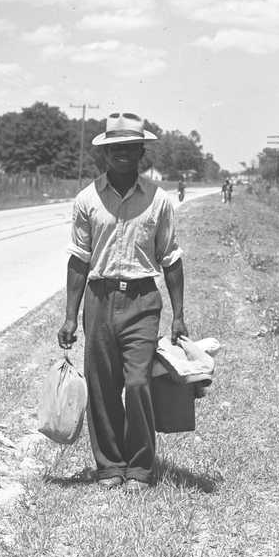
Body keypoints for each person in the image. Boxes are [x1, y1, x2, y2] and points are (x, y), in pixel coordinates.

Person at [58, 111, 188, 493]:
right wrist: (70, 316)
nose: (124, 155)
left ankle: (140, 468)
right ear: (104, 154)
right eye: (117, 149)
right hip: (99, 300)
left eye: (132, 148)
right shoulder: (87, 199)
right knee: (102, 386)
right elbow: (79, 259)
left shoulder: (159, 200)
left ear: (142, 152)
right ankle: (110, 466)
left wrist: (179, 314)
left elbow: (171, 258)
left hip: (143, 300)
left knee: (137, 384)